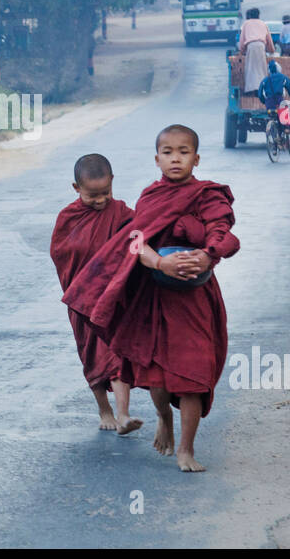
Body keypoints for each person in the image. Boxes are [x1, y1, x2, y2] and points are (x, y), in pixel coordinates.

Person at [63, 125, 239, 472]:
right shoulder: (149, 198)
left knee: (193, 373)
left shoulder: (209, 195)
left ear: (196, 158)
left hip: (195, 298)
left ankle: (186, 450)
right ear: (157, 159)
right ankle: (163, 418)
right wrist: (158, 261)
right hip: (154, 296)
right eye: (168, 152)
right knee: (157, 376)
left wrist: (207, 255)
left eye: (184, 151)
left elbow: (224, 234)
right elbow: (133, 242)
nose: (176, 158)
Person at [49, 153, 143, 435]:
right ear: (76, 188)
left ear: (112, 182)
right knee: (91, 354)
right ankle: (105, 408)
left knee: (117, 354)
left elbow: (139, 237)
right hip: (82, 301)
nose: (101, 200)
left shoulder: (122, 213)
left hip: (113, 299)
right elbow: (59, 253)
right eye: (92, 195)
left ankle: (124, 414)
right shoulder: (68, 218)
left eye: (105, 193)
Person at [237, 7, 274, 95]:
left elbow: (242, 40)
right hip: (261, 46)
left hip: (251, 46)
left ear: (249, 15)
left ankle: (251, 90)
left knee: (250, 68)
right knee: (261, 68)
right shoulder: (263, 23)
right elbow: (269, 39)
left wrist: (241, 51)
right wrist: (271, 50)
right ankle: (261, 89)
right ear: (258, 15)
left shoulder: (246, 24)